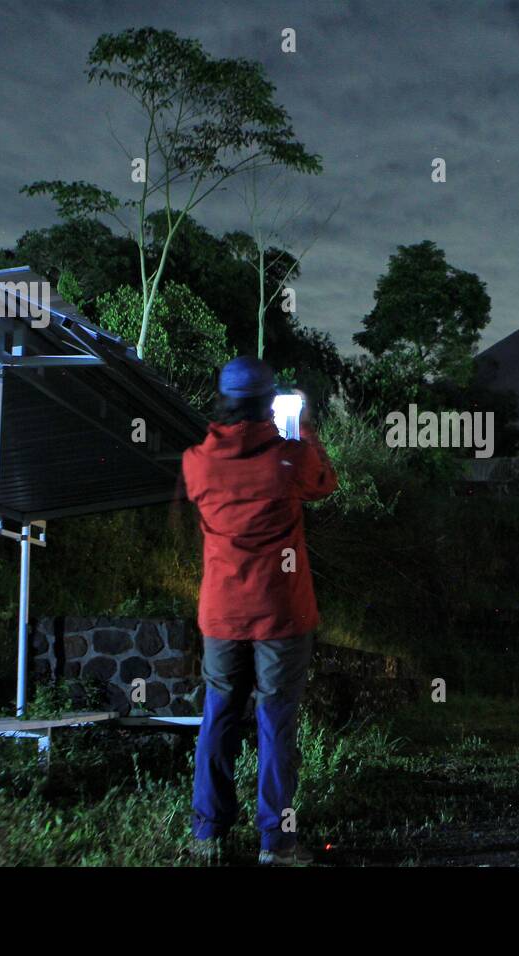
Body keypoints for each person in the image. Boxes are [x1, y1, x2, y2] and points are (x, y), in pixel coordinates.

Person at [180, 355, 338, 865]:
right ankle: (277, 841)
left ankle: (208, 833)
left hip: (222, 612)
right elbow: (324, 483)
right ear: (270, 403)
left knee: (218, 716)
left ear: (223, 400)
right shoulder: (287, 458)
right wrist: (303, 430)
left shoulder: (196, 462)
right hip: (280, 612)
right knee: (275, 721)